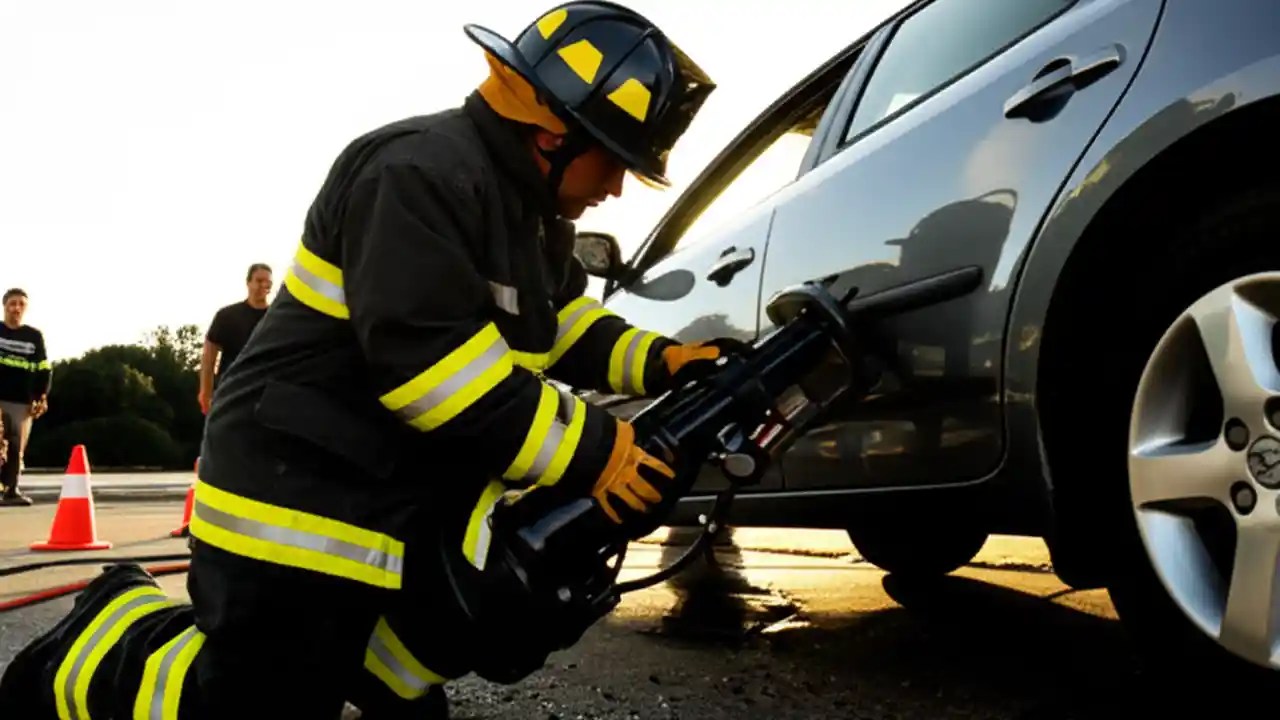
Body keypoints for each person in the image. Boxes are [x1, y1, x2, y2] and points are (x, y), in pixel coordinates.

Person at [0, 3, 728, 718]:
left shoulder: (530, 214)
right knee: (256, 700)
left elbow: (563, 324)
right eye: (615, 161)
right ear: (554, 133)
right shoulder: (416, 172)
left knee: (451, 637)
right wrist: (599, 450)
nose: (615, 188)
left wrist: (662, 360)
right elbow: (433, 372)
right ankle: (104, 637)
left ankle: (350, 671)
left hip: (383, 500)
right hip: (293, 500)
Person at [198, 263, 272, 414]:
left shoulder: (275, 318)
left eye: (268, 283)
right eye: (259, 281)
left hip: (265, 394)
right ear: (248, 282)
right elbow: (208, 358)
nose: (264, 285)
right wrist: (206, 393)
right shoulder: (227, 316)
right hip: (230, 392)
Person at [0, 288, 51, 507]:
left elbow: (44, 369)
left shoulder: (34, 336)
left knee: (16, 446)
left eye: (21, 304)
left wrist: (41, 396)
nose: (16, 308)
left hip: (22, 400)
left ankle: (11, 489)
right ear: (4, 307)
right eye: (12, 303)